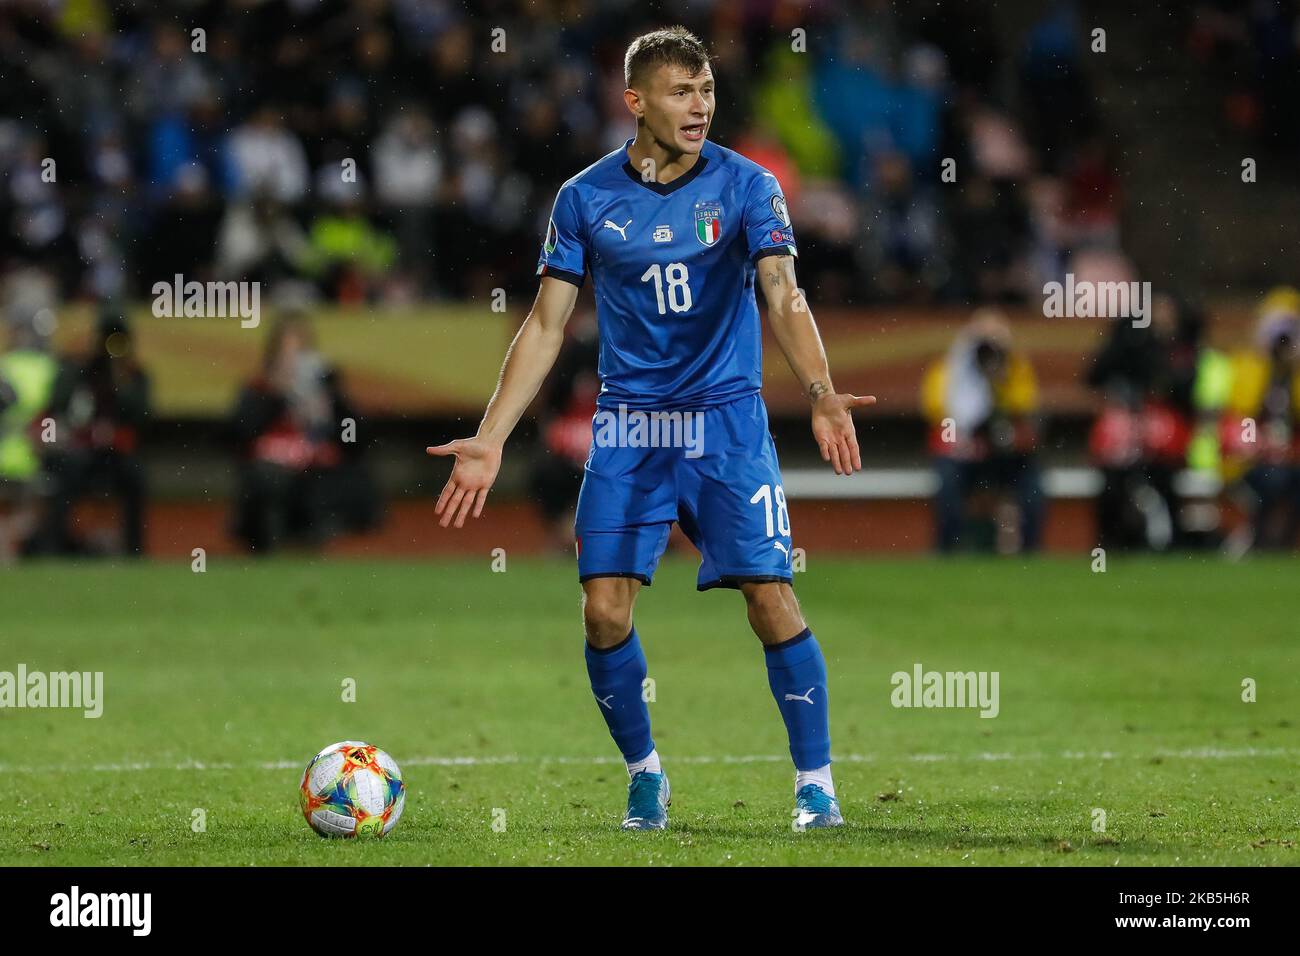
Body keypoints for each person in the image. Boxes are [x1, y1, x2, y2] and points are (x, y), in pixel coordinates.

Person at [428, 27, 873, 832]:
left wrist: (822, 389)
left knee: (771, 598)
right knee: (603, 611)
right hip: (630, 429)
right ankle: (645, 776)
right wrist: (491, 436)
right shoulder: (584, 198)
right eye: (681, 92)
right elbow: (544, 325)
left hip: (726, 425)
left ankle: (816, 783)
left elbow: (783, 294)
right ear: (634, 102)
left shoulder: (749, 186)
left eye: (705, 92)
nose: (699, 106)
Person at [230, 314, 380, 552]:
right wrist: (275, 394)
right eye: (287, 352)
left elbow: (357, 437)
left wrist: (335, 397)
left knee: (346, 480)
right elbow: (241, 433)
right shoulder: (258, 388)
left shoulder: (325, 389)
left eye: (300, 351)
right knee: (267, 480)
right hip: (272, 465)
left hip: (316, 464)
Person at [921, 311, 1043, 553]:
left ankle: (1031, 549)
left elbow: (1025, 404)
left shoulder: (1016, 368)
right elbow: (934, 407)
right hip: (962, 452)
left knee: (1033, 486)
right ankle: (948, 549)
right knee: (947, 484)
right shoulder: (948, 369)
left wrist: (999, 382)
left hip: (1004, 453)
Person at [37, 309, 151, 557]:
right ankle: (54, 545)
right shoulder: (81, 370)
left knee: (135, 476)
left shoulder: (135, 375)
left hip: (115, 453)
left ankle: (134, 550)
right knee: (67, 472)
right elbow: (59, 402)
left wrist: (120, 380)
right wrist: (80, 367)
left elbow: (141, 415)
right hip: (81, 450)